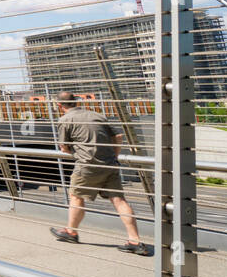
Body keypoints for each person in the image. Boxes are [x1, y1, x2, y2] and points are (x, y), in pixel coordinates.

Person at [50, 92, 151, 255]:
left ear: (60, 106)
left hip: (87, 165)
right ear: (75, 102)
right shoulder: (97, 115)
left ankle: (71, 232)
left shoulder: (64, 120)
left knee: (76, 197)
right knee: (119, 200)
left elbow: (64, 147)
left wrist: (77, 150)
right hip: (110, 164)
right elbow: (117, 136)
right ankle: (135, 240)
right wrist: (114, 156)